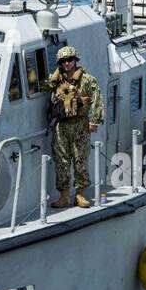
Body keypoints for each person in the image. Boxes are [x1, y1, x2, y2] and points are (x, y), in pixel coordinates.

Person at [42, 45, 104, 208]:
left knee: (80, 160)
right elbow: (41, 86)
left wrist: (94, 121)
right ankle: (64, 196)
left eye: (69, 60)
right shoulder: (56, 80)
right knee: (61, 161)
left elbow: (97, 100)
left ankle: (80, 194)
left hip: (79, 125)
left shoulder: (87, 80)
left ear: (75, 60)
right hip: (61, 126)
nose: (67, 64)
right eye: (63, 61)